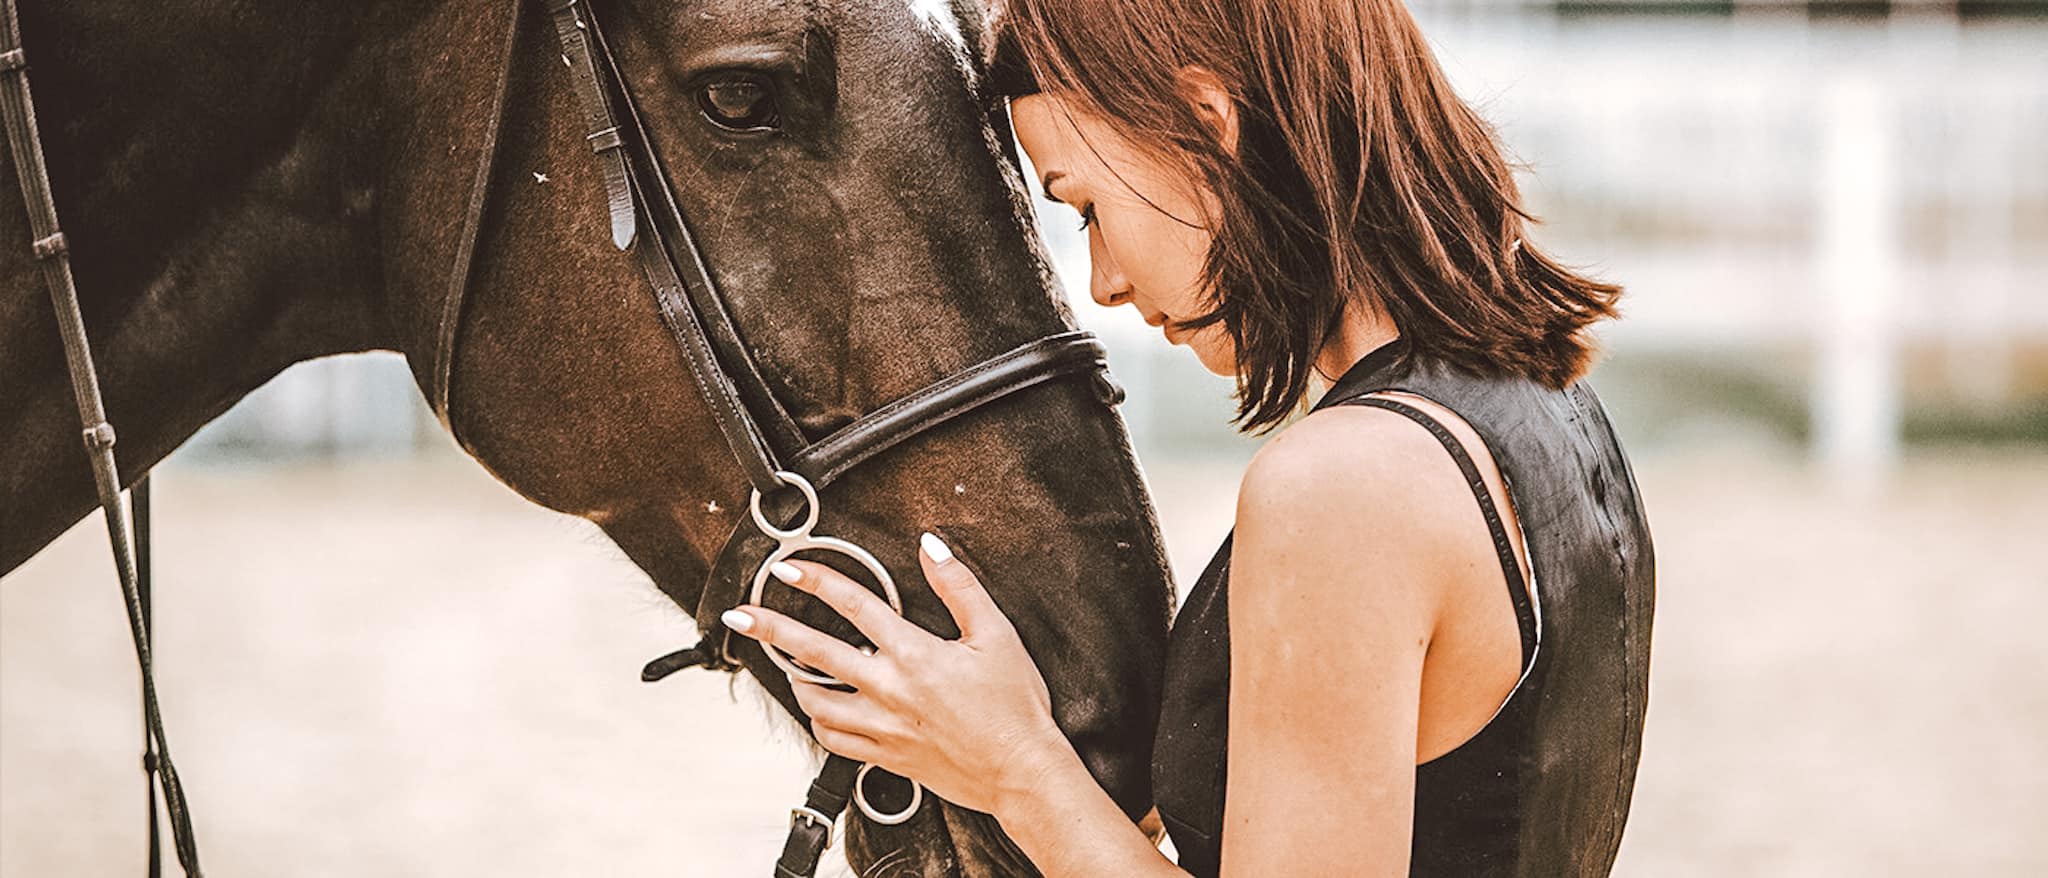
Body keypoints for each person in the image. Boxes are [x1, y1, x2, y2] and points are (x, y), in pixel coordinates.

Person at [722, 0, 1655, 874]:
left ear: (1208, 121)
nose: (1102, 283)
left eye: (1086, 206)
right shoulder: (1548, 412)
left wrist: (1015, 767)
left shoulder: (1347, 485)